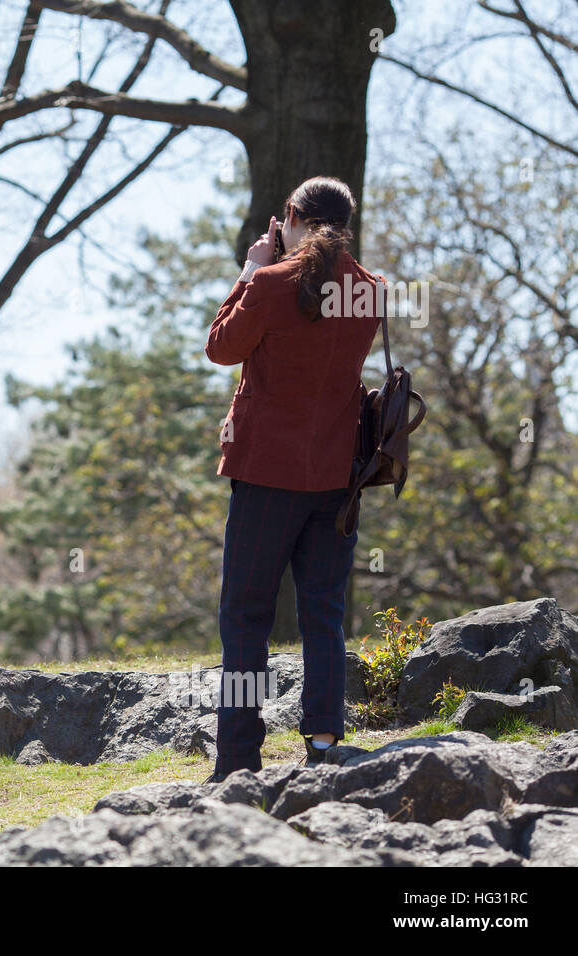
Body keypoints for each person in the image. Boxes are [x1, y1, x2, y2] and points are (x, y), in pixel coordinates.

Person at [202, 175, 383, 783]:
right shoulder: (372, 293)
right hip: (337, 477)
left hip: (264, 476)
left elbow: (222, 349)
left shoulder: (273, 284)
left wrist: (252, 272)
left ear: (291, 220)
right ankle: (325, 742)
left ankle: (239, 759)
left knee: (246, 618)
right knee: (323, 613)